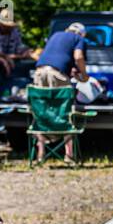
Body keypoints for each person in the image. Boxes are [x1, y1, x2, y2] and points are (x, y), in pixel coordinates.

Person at [31, 23, 89, 162]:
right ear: (81, 34)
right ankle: (68, 155)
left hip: (39, 72)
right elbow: (78, 57)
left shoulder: (55, 35)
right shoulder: (78, 38)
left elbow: (56, 56)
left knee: (41, 111)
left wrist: (71, 70)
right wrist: (85, 74)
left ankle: (41, 153)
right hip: (57, 74)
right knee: (64, 110)